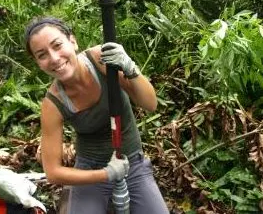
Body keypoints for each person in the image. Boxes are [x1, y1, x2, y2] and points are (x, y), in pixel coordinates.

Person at [25, 16, 169, 214]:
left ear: (72, 41)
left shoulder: (102, 59)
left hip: (132, 164)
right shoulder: (53, 104)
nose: (54, 58)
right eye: (42, 55)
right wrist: (105, 174)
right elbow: (53, 172)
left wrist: (130, 67)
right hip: (90, 171)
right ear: (38, 62)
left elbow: (150, 104)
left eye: (57, 45)